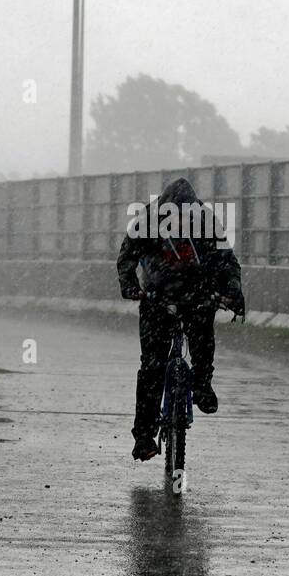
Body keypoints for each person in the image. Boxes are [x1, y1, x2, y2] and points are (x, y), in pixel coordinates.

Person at [116, 177, 245, 460]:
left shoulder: (207, 221)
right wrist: (129, 285)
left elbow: (227, 261)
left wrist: (233, 290)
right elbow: (126, 257)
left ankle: (202, 383)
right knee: (151, 366)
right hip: (157, 298)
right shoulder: (147, 220)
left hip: (197, 294)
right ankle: (144, 437)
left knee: (202, 336)